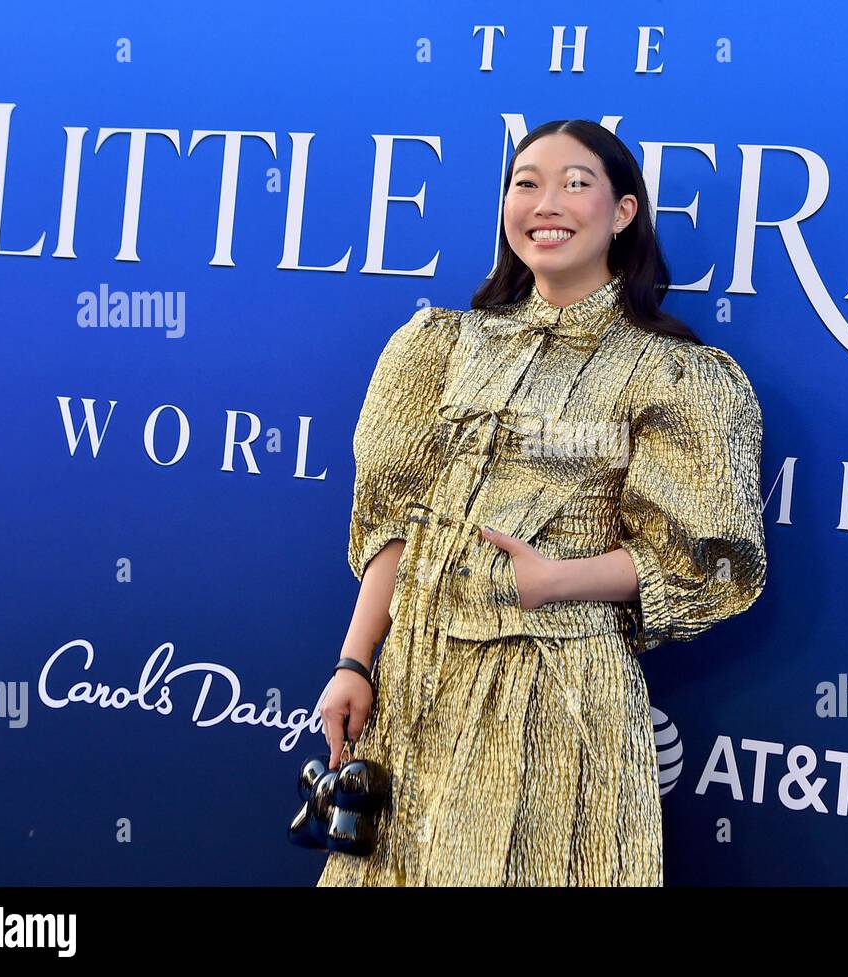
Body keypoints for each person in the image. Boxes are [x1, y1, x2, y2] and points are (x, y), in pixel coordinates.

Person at [314, 119, 767, 887]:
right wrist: (355, 661)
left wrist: (553, 581)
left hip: (556, 694)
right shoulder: (442, 345)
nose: (545, 202)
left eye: (575, 183)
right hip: (414, 682)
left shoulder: (673, 374)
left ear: (623, 212)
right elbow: (400, 522)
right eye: (526, 183)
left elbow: (707, 560)